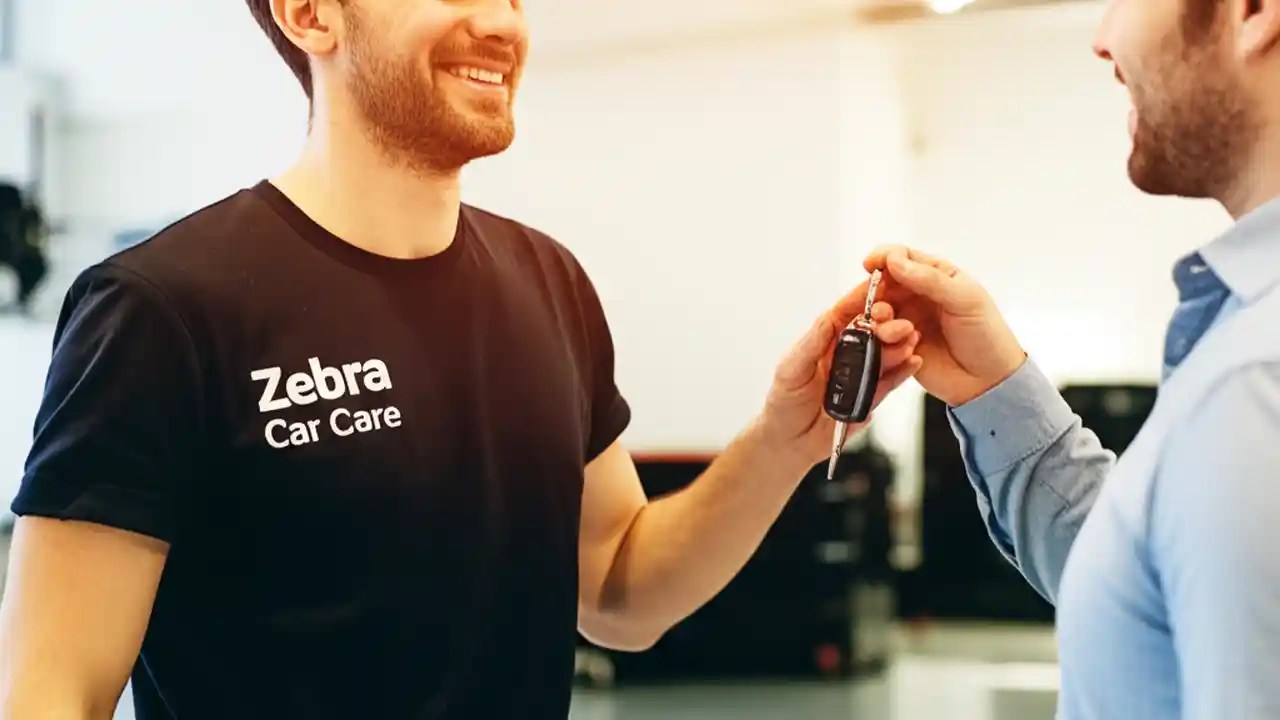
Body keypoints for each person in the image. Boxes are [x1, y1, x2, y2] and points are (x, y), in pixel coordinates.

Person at [0, 1, 923, 718]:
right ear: (310, 13)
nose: (502, 23)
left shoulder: (549, 281)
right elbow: (55, 696)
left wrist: (783, 438)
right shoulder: (163, 308)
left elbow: (619, 593)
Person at [864, 0, 1280, 715]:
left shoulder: (1255, 382)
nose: (1101, 38)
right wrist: (994, 391)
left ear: (1252, 11)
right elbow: (1150, 600)